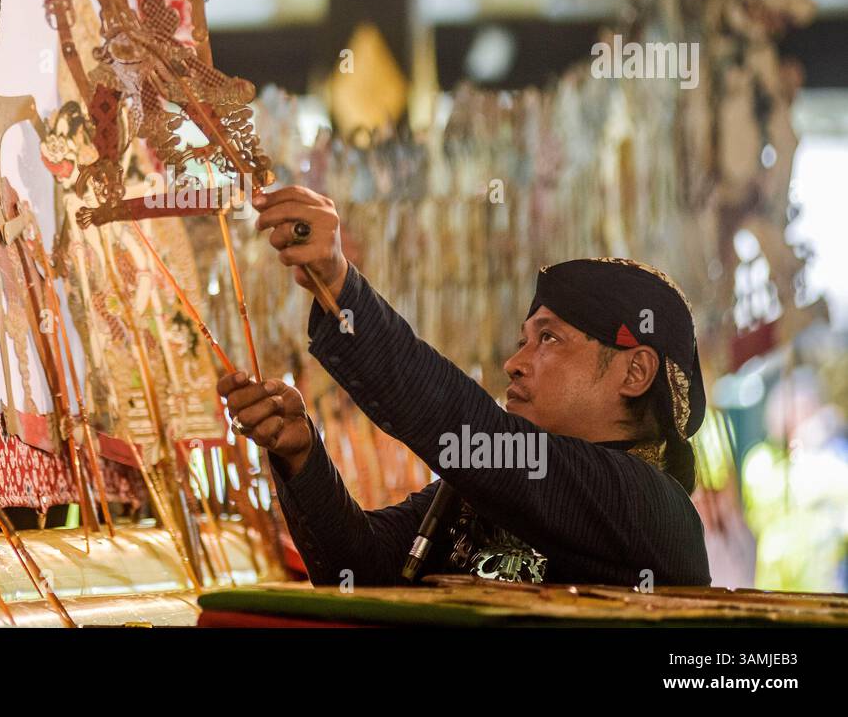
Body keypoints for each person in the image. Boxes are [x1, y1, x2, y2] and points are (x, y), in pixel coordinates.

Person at [217, 186, 711, 587]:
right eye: (523, 340)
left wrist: (339, 284)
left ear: (635, 373)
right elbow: (360, 569)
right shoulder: (473, 497)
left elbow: (472, 431)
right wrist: (302, 456)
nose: (514, 363)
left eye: (549, 338)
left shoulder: (650, 509)